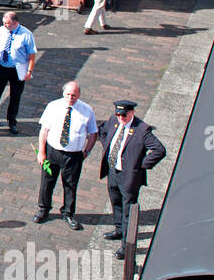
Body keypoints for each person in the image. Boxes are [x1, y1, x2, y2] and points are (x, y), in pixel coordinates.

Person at [97, 99, 166, 259]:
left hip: (129, 177)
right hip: (113, 171)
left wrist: (140, 165)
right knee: (115, 202)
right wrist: (107, 147)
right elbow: (103, 131)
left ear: (132, 113)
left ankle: (126, 245)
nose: (121, 117)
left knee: (128, 211)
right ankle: (118, 229)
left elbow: (159, 150)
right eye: (118, 114)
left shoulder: (142, 130)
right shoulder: (114, 121)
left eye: (124, 115)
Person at [36, 81, 98, 229]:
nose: (71, 97)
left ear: (79, 95)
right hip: (53, 151)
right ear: (63, 93)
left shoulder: (87, 111)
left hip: (74, 155)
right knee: (47, 181)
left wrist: (86, 152)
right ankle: (43, 209)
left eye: (74, 95)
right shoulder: (53, 106)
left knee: (70, 185)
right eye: (68, 94)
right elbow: (44, 131)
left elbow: (93, 133)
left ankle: (68, 213)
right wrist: (42, 152)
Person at [0, 11, 37, 134]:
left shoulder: (26, 35)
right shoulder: (0, 30)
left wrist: (29, 71)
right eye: (4, 22)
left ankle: (12, 121)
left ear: (15, 22)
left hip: (18, 68)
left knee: (15, 95)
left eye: (8, 23)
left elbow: (31, 55)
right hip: (1, 66)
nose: (5, 25)